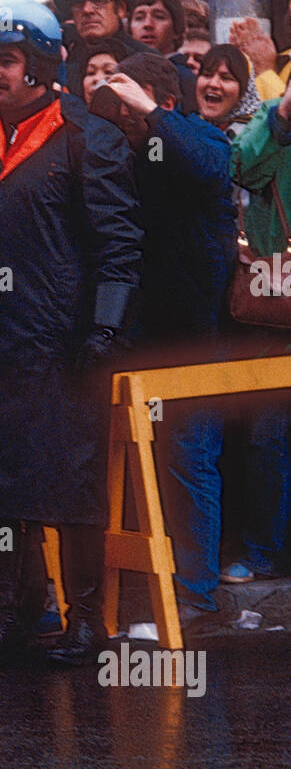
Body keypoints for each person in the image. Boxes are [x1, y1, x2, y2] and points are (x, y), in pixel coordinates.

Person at [0, 0, 141, 666]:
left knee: (69, 489)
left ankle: (83, 622)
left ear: (42, 67)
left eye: (5, 61)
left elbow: (119, 243)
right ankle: (16, 617)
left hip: (60, 345)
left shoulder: (85, 135)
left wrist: (104, 325)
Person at [100, 53, 236, 632]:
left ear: (165, 103)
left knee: (190, 462)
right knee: (134, 470)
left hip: (195, 334)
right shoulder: (126, 153)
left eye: (131, 109)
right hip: (137, 331)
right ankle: (142, 592)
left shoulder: (200, 140)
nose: (123, 121)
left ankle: (197, 596)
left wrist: (150, 112)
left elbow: (208, 166)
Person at [221, 73, 291, 583]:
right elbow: (239, 168)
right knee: (268, 437)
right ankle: (262, 550)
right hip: (277, 306)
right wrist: (282, 118)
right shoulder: (269, 115)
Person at [54, 0, 145, 99]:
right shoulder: (61, 60)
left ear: (120, 8)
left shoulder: (144, 60)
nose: (87, 9)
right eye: (78, 1)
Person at [195, 43, 261, 140]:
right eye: (207, 75)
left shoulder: (257, 136)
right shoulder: (187, 130)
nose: (213, 84)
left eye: (226, 78)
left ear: (245, 92)